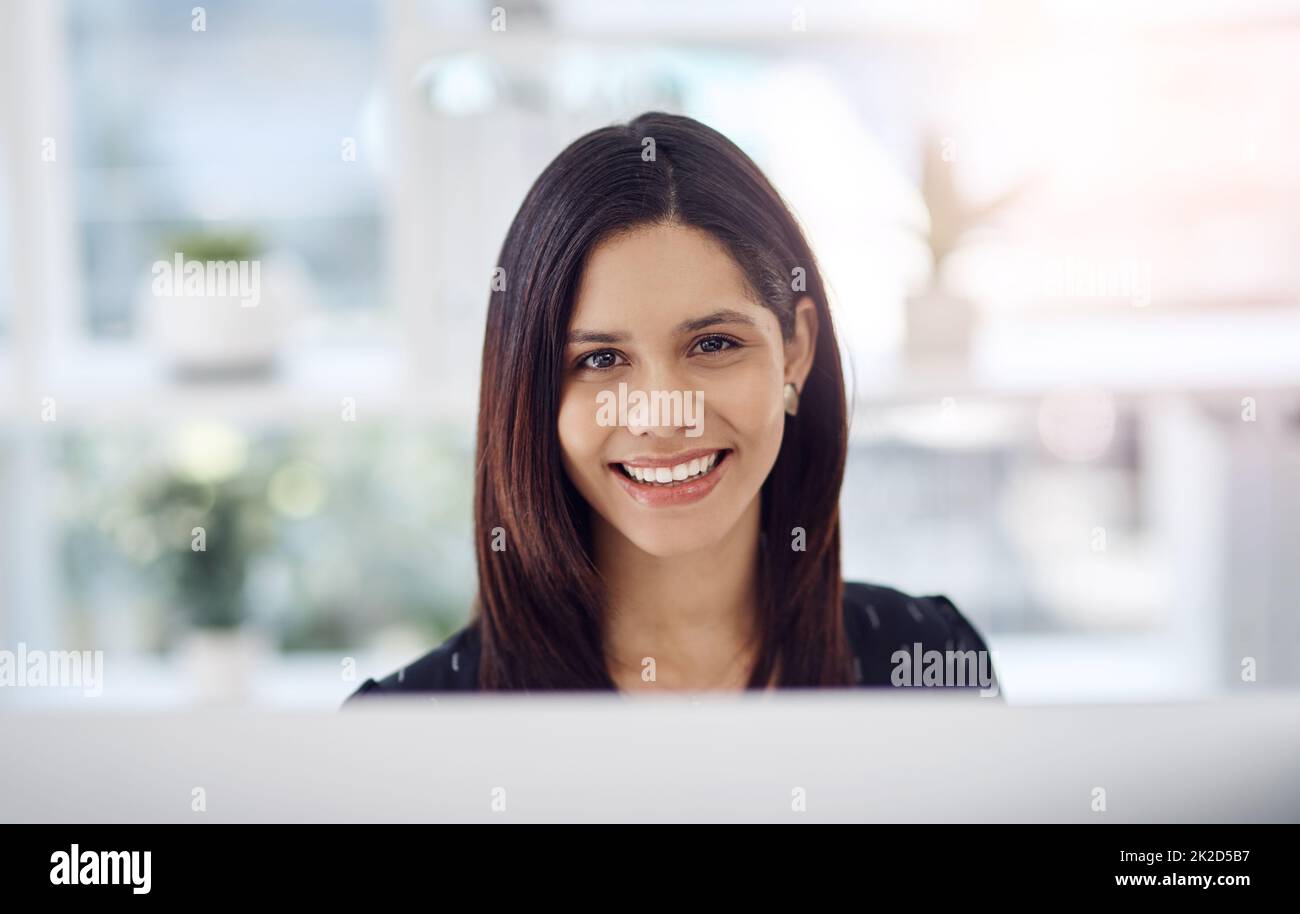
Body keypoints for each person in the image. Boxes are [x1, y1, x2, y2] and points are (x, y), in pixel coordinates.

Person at [346, 112, 995, 700]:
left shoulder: (926, 659)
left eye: (713, 343)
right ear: (531, 391)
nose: (663, 414)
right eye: (600, 360)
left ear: (795, 350)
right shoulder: (405, 727)